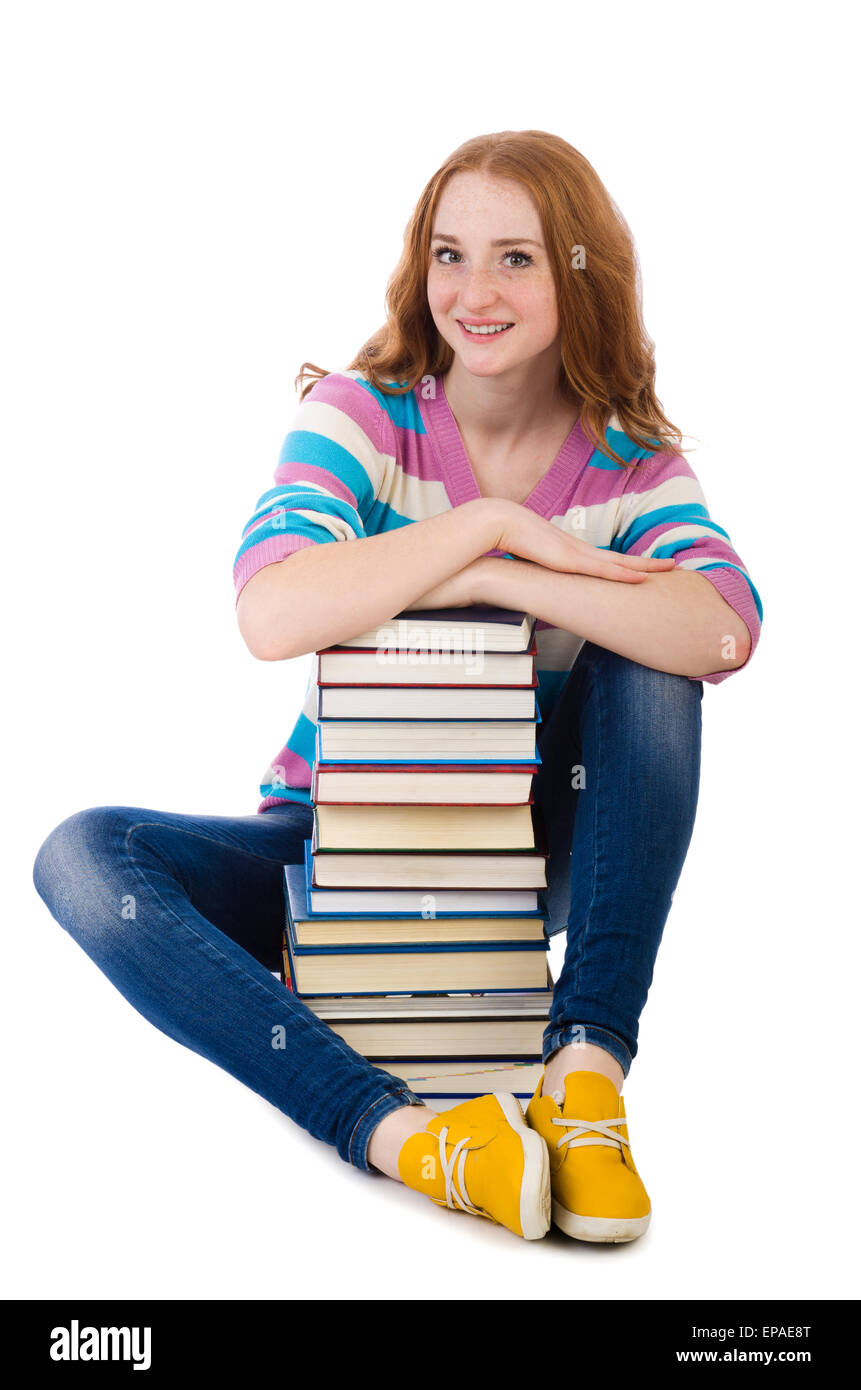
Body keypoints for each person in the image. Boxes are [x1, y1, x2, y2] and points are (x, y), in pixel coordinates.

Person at [32, 130, 762, 1245]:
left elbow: (718, 632)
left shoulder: (633, 468)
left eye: (517, 258)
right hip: (336, 839)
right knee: (82, 858)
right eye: (450, 254)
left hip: (528, 848)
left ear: (580, 271)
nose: (475, 292)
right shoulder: (365, 415)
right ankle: (407, 1135)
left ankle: (584, 1075)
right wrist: (488, 534)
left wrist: (536, 584)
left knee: (653, 659)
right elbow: (270, 612)